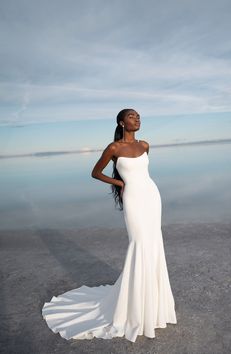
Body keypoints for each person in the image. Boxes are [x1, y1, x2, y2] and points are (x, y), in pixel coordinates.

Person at [42, 108, 177, 342]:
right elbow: (96, 172)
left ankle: (153, 305)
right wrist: (120, 183)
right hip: (133, 197)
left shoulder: (145, 145)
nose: (137, 118)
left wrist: (134, 183)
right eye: (132, 116)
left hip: (152, 196)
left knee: (154, 243)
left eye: (138, 116)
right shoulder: (114, 148)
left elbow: (143, 174)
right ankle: (135, 307)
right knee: (139, 243)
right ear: (121, 122)